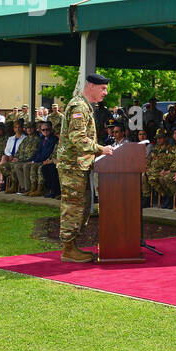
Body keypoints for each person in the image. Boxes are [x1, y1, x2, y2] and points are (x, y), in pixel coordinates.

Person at [55, 74, 115, 262]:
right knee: (73, 207)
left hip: (79, 165)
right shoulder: (79, 106)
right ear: (90, 85)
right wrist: (101, 150)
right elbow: (78, 138)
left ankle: (72, 246)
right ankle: (68, 249)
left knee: (83, 205)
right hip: (72, 166)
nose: (105, 92)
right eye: (103, 88)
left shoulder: (85, 106)